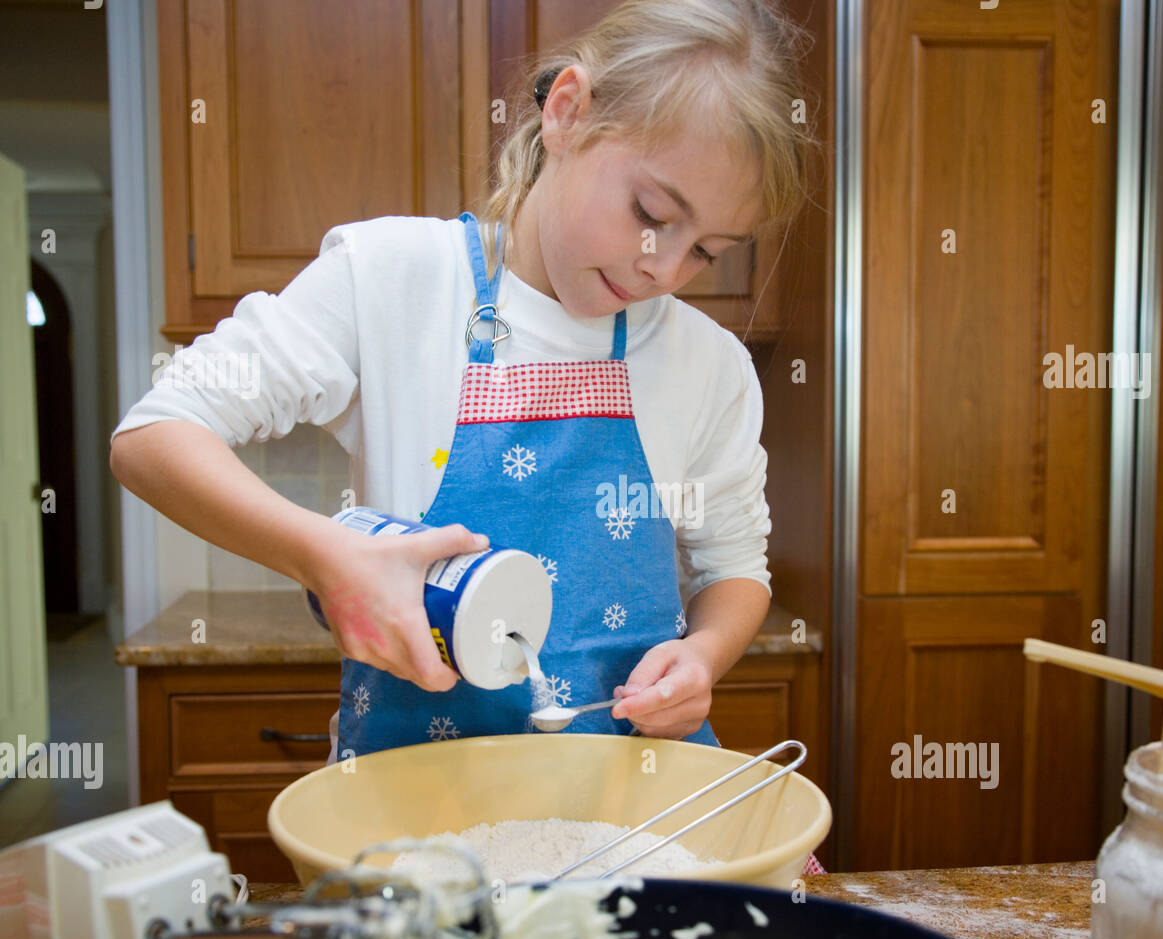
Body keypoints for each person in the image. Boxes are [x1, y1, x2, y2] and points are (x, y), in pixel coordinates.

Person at [110, 0, 820, 766]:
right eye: (651, 212)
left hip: (634, 810)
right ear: (568, 111)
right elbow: (153, 438)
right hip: (418, 824)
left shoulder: (705, 362)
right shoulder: (390, 282)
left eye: (706, 250)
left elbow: (736, 569)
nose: (663, 267)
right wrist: (322, 555)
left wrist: (705, 654)